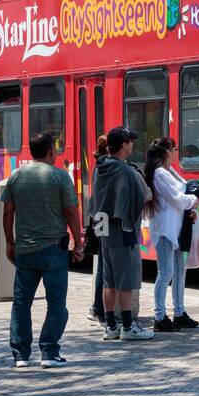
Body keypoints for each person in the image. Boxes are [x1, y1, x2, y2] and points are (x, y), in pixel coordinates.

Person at [3, 132, 84, 369]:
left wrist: (10, 242)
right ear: (51, 151)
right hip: (53, 249)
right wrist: (78, 243)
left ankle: (20, 354)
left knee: (21, 303)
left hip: (25, 250)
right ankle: (49, 351)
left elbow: (8, 212)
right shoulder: (60, 177)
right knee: (56, 304)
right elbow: (71, 212)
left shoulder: (16, 176)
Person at [88, 126, 155, 340]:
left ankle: (110, 326)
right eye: (130, 141)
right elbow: (145, 195)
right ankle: (127, 326)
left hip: (104, 229)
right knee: (127, 279)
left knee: (109, 281)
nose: (132, 144)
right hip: (123, 230)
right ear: (124, 145)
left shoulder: (100, 167)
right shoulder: (126, 171)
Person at [143, 137, 199, 332]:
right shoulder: (160, 174)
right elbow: (177, 198)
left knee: (180, 271)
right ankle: (159, 317)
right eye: (175, 149)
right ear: (167, 152)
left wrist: (191, 204)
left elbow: (181, 195)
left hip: (177, 229)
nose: (177, 152)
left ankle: (179, 312)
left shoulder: (169, 172)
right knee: (166, 272)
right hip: (165, 231)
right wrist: (194, 199)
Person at [87, 134, 109, 325]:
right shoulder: (104, 167)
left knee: (103, 263)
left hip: (100, 218)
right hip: (104, 219)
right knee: (103, 264)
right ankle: (97, 307)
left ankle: (98, 307)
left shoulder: (99, 166)